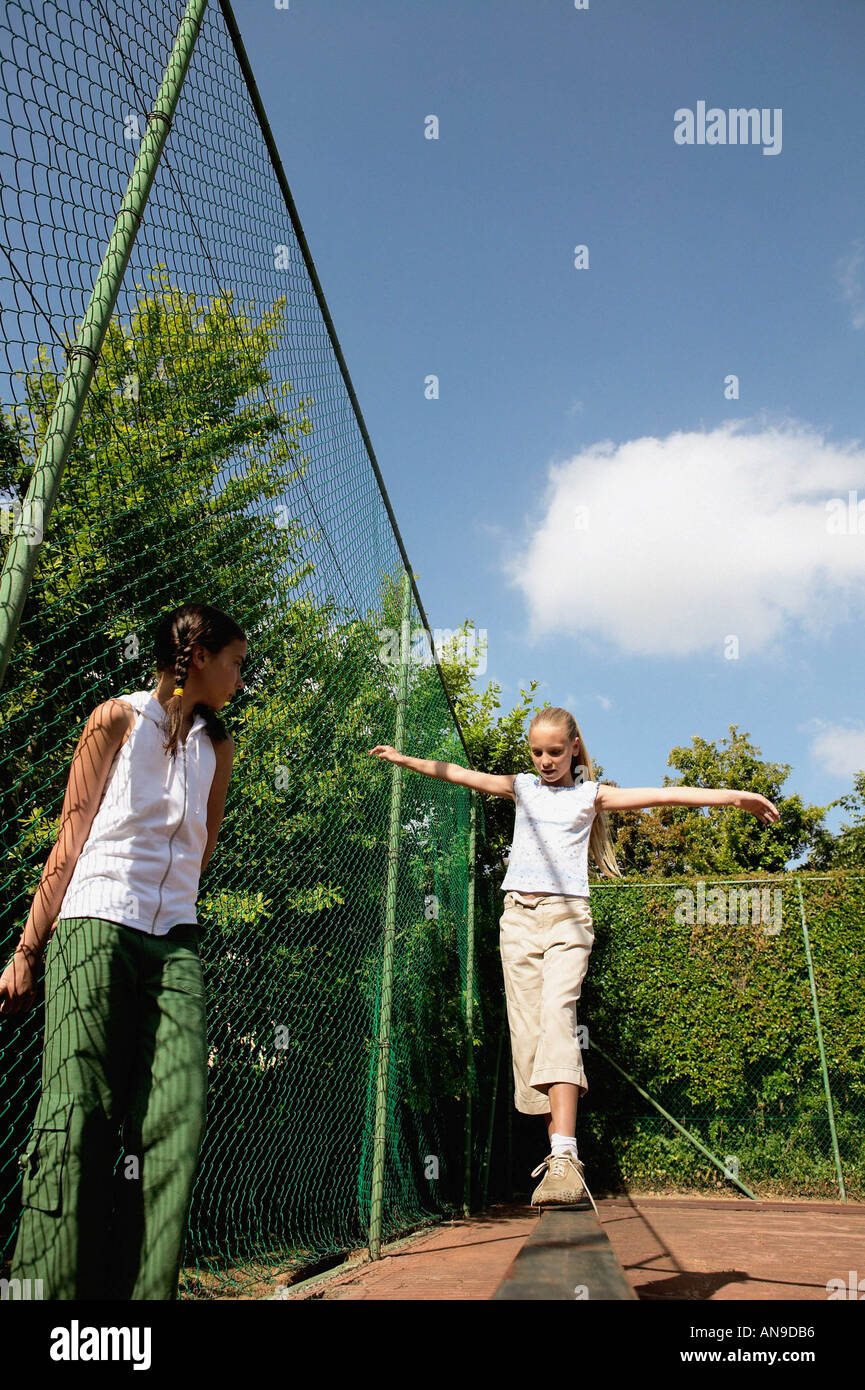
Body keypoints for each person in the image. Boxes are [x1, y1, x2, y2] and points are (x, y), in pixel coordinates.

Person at [369, 705, 779, 1212]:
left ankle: (566, 1154)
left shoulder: (591, 795)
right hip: (517, 920)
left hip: (567, 918)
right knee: (531, 1039)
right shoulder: (520, 787)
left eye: (555, 752)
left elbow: (669, 794)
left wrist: (736, 797)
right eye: (537, 752)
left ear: (574, 748)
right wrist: (404, 759)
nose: (545, 760)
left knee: (558, 1015)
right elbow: (457, 773)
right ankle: (557, 1163)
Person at [0, 602, 247, 1299]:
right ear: (197, 654)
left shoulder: (218, 747)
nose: (239, 677)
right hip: (94, 922)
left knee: (177, 1117)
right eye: (235, 662)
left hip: (174, 945)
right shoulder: (116, 718)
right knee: (75, 1114)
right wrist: (28, 949)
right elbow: (69, 840)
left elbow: (201, 851)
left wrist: (171, 915)